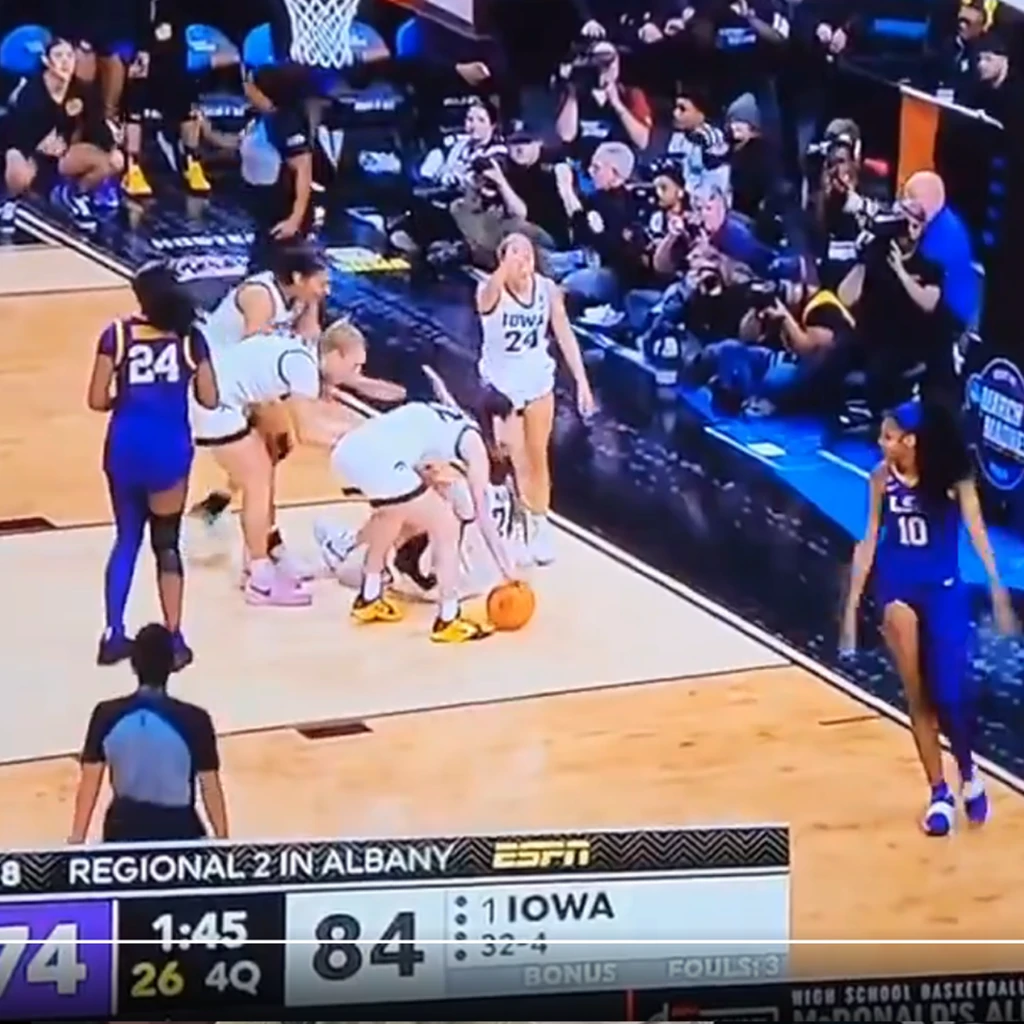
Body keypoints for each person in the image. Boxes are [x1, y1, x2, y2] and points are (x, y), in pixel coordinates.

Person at [840, 399, 1016, 836]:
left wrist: (996, 590)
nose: (880, 443)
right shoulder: (880, 479)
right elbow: (868, 542)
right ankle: (939, 793)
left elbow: (977, 532)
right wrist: (850, 608)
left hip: (943, 590)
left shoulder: (952, 481)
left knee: (949, 696)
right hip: (897, 589)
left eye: (887, 436)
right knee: (918, 695)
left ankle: (969, 773)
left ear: (911, 440)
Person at [86, 261, 219, 670]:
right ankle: (175, 638)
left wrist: (123, 401)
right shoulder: (188, 337)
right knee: (166, 544)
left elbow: (95, 399)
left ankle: (113, 634)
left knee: (126, 538)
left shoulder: (118, 334)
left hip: (124, 444)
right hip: (168, 448)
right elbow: (210, 399)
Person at [326, 374, 520, 643]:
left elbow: (438, 403)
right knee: (447, 525)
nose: (514, 434)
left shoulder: (452, 418)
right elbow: (481, 514)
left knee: (392, 512)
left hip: (345, 454)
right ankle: (448, 619)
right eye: (513, 422)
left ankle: (369, 596)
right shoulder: (474, 445)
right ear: (497, 423)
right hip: (380, 459)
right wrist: (507, 569)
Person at [188, 244, 329, 575]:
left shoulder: (300, 296)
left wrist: (312, 304)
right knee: (263, 468)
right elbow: (256, 348)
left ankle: (225, 507)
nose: (327, 289)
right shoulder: (259, 295)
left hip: (243, 384)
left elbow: (309, 337)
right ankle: (263, 554)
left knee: (276, 451)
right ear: (297, 277)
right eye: (321, 282)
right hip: (218, 384)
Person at [190, 324, 347, 606]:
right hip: (216, 406)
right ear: (336, 355)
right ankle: (259, 579)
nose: (355, 374)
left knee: (266, 466)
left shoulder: (300, 352)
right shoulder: (303, 367)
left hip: (218, 396)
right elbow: (309, 433)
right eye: (356, 365)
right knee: (257, 483)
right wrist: (356, 439)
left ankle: (259, 558)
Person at [476, 233, 595, 565]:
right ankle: (513, 525)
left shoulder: (546, 289)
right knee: (515, 459)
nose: (522, 257)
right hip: (501, 385)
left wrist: (582, 381)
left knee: (538, 457)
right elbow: (485, 300)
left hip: (538, 380)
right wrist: (504, 267)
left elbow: (564, 333)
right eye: (514, 252)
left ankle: (539, 523)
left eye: (526, 251)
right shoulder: (490, 289)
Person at [69, 623, 228, 844]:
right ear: (172, 665)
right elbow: (210, 786)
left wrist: (76, 841)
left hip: (123, 830)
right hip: (179, 832)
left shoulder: (105, 716)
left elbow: (89, 784)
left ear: (133, 665)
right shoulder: (195, 720)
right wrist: (224, 844)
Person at [1, 37, 123, 230]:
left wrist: (112, 147)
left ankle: (76, 196)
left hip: (62, 154)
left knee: (111, 161)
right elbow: (14, 129)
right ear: (46, 61)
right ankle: (10, 202)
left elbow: (96, 124)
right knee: (17, 166)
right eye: (58, 56)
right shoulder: (31, 90)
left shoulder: (81, 90)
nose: (65, 61)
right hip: (30, 150)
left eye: (69, 56)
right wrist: (38, 145)